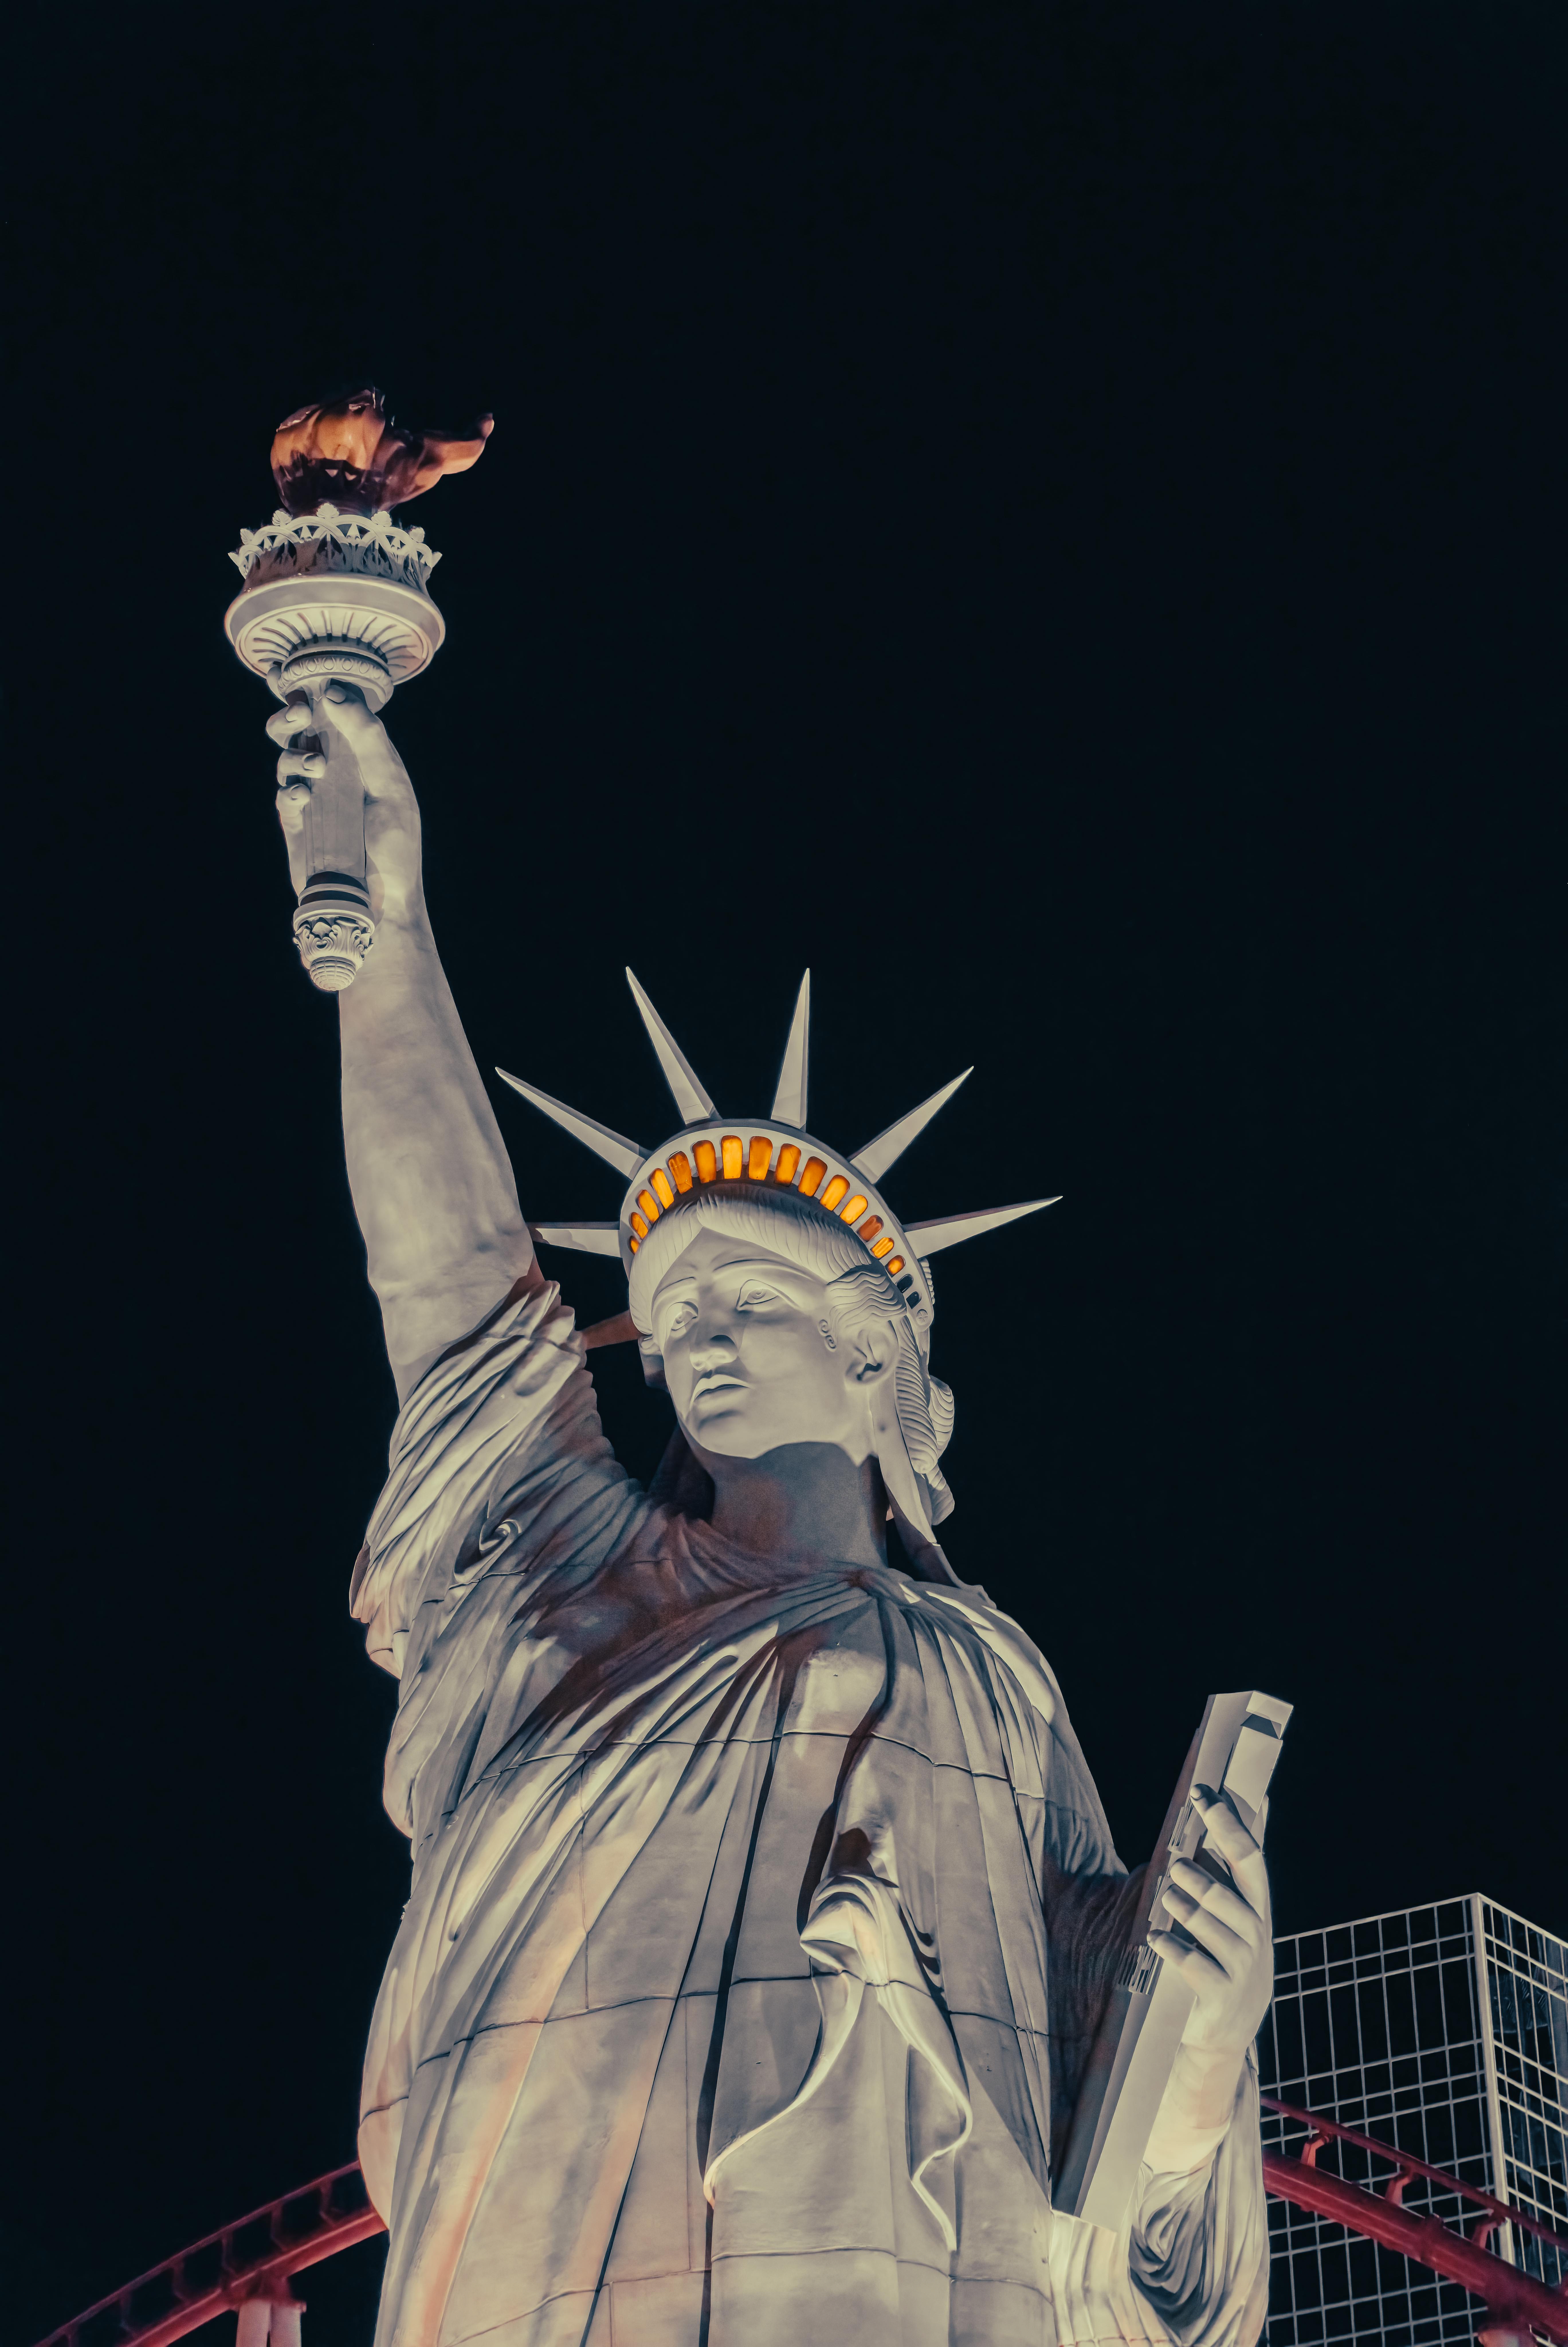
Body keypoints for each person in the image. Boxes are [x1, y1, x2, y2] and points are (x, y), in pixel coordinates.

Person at [268, 681, 1273, 2347]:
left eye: (744, 1299)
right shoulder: (580, 1571)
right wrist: (392, 942)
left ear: (875, 1353)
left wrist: (1206, 2047)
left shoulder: (994, 1680)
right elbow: (446, 1279)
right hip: (572, 2274)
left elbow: (1103, 2135)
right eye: (671, 1323)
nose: (697, 1342)